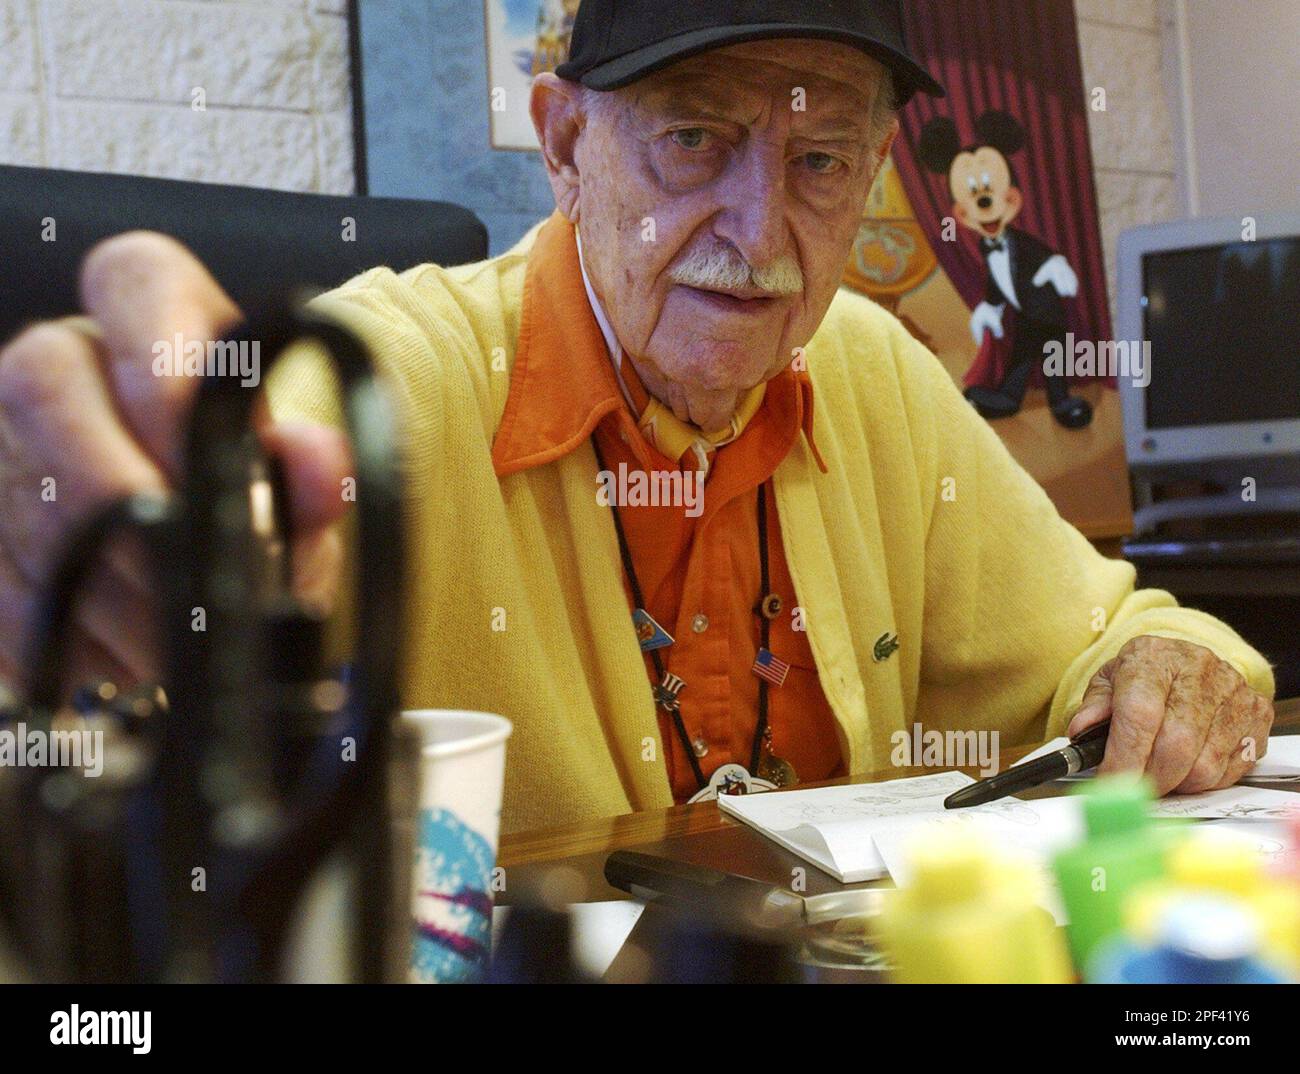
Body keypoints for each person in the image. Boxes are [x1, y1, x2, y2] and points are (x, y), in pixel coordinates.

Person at [0, 1, 1274, 833]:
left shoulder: (869, 368)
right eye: (693, 139)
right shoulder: (387, 381)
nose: (759, 230)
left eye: (820, 160)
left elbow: (1114, 631)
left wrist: (1166, 669)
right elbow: (173, 538)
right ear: (564, 143)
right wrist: (81, 539)